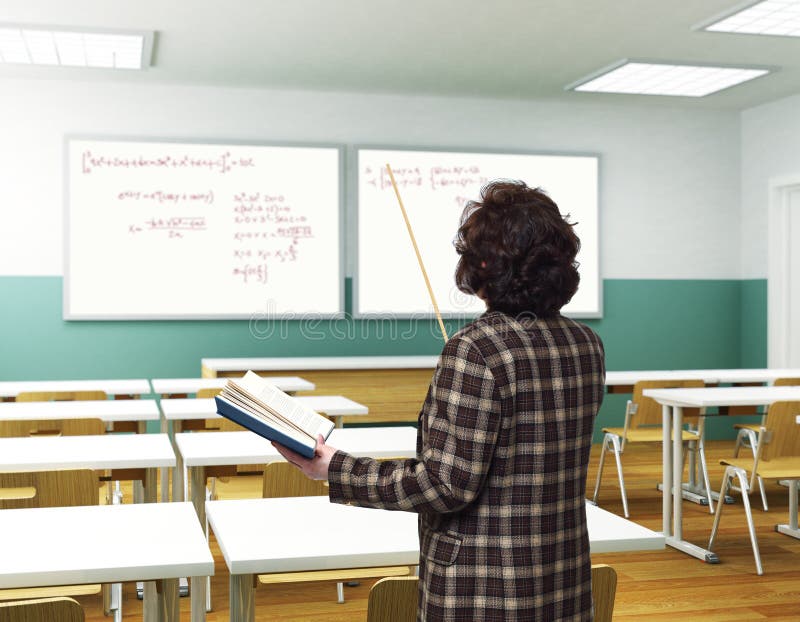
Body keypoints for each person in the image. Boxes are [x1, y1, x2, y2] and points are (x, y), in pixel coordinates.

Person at [274, 179, 606, 621]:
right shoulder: (585, 343)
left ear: (485, 264)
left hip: (485, 591)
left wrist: (334, 467)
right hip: (563, 582)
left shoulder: (477, 349)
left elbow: (446, 485)